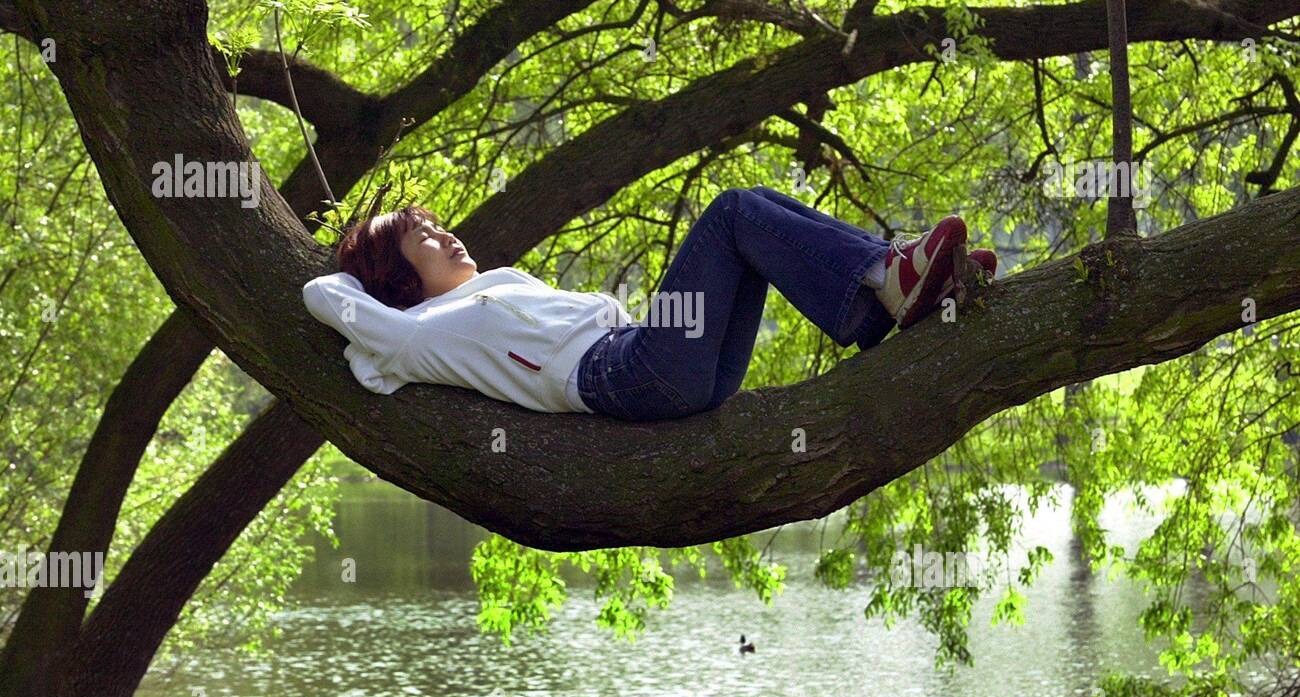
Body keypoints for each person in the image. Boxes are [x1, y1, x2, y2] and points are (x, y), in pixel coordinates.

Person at [302, 185, 996, 421]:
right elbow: (321, 293)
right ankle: (888, 279)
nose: (445, 235)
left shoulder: (490, 288)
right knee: (731, 215)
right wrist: (357, 261)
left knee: (755, 213)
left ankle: (884, 292)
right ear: (396, 276)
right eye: (422, 238)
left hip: (667, 364)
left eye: (437, 225)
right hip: (631, 372)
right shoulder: (417, 334)